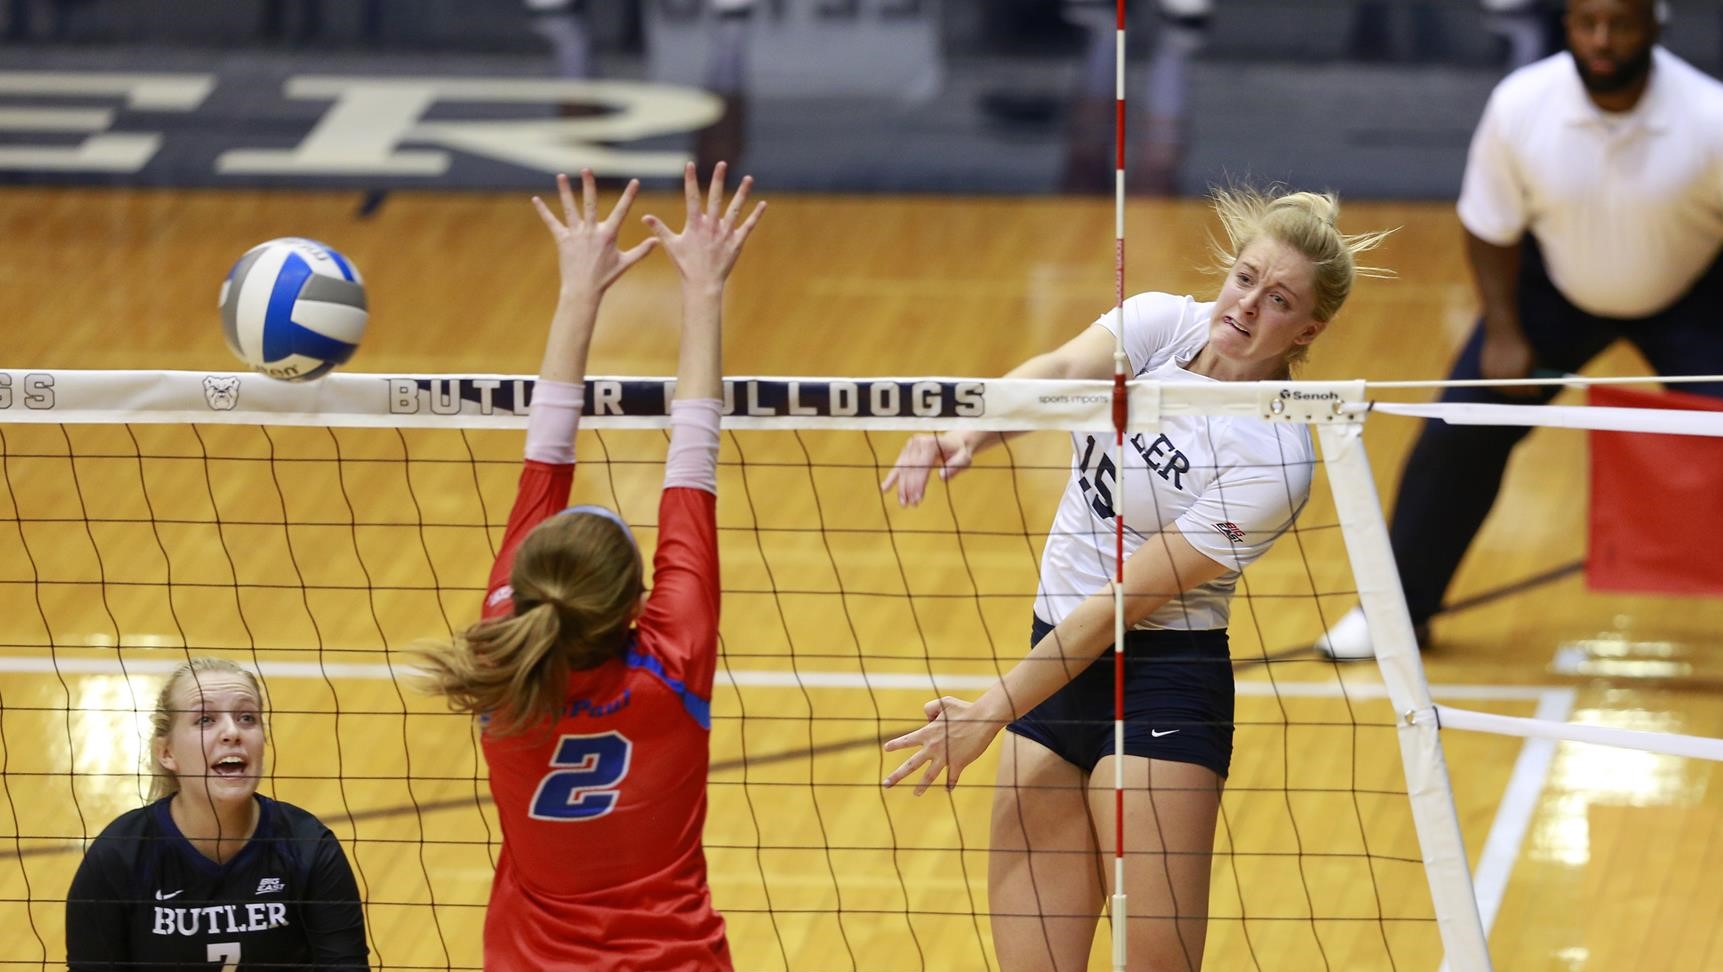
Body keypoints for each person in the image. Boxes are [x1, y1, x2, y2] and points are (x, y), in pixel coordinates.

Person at [879, 188, 1392, 971]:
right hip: (1052, 666)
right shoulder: (1158, 322)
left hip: (1160, 685)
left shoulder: (1273, 458)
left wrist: (988, 713)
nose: (1249, 305)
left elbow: (1121, 606)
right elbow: (1058, 374)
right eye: (1245, 278)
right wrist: (967, 433)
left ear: (1310, 329)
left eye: (1279, 299)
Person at [414, 162, 763, 970]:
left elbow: (552, 454)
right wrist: (704, 290)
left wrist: (578, 288)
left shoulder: (503, 658)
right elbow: (693, 456)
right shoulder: (671, 661)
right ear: (639, 602)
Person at [1317, 0, 1723, 660]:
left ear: (1654, 25)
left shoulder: (1709, 116)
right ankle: (1394, 615)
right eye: (1586, 23)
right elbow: (1487, 224)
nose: (1601, 40)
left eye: (1619, 24)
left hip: (1691, 293)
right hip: (1551, 292)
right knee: (1459, 432)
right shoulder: (1521, 104)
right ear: (1564, 24)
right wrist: (1503, 332)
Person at [65, 657, 369, 970]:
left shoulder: (307, 847)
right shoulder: (119, 856)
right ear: (166, 752)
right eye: (205, 720)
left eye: (247, 718)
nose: (232, 732)